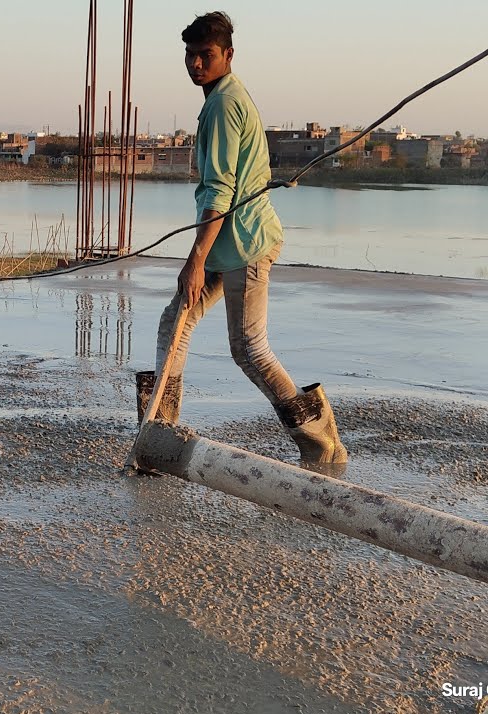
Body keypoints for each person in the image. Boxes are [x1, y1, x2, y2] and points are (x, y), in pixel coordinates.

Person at [136, 11, 347, 471]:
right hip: (223, 245)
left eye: (205, 55)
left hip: (244, 244)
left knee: (249, 349)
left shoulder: (225, 104)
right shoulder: (217, 100)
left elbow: (220, 190)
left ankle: (322, 441)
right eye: (190, 55)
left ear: (228, 55)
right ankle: (157, 435)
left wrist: (195, 259)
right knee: (176, 322)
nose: (195, 64)